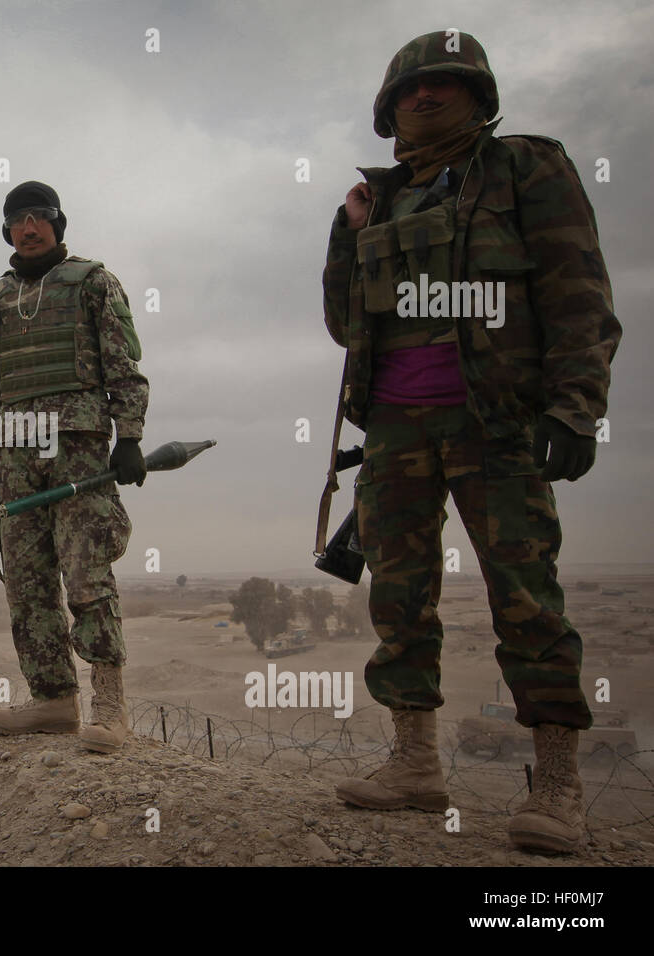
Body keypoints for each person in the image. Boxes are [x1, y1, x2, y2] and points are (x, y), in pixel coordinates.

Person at [322, 31, 620, 854]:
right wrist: (350, 232)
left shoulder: (526, 167)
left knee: (525, 599)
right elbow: (347, 324)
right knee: (399, 599)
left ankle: (557, 788)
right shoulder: (376, 200)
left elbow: (578, 289)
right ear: (388, 111)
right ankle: (414, 765)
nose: (425, 96)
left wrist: (576, 405)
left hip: (497, 418)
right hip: (395, 425)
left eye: (445, 83)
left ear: (479, 96)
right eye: (410, 88)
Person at [0, 181, 149, 753]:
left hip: (77, 446)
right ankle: (52, 700)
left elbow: (122, 361)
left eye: (39, 217)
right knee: (26, 581)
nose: (29, 228)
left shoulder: (93, 281)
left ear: (57, 223)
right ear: (7, 231)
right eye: (18, 220)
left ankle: (111, 707)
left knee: (86, 573)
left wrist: (131, 435)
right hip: (17, 453)